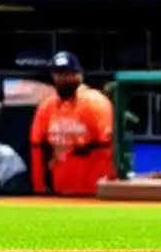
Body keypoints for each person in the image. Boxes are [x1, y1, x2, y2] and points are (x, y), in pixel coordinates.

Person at [28, 51, 113, 197]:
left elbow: (109, 146)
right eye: (58, 74)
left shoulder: (95, 103)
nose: (62, 79)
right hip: (61, 189)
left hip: (93, 190)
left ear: (79, 75)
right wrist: (39, 187)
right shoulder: (48, 106)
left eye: (67, 74)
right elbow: (37, 148)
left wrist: (107, 186)